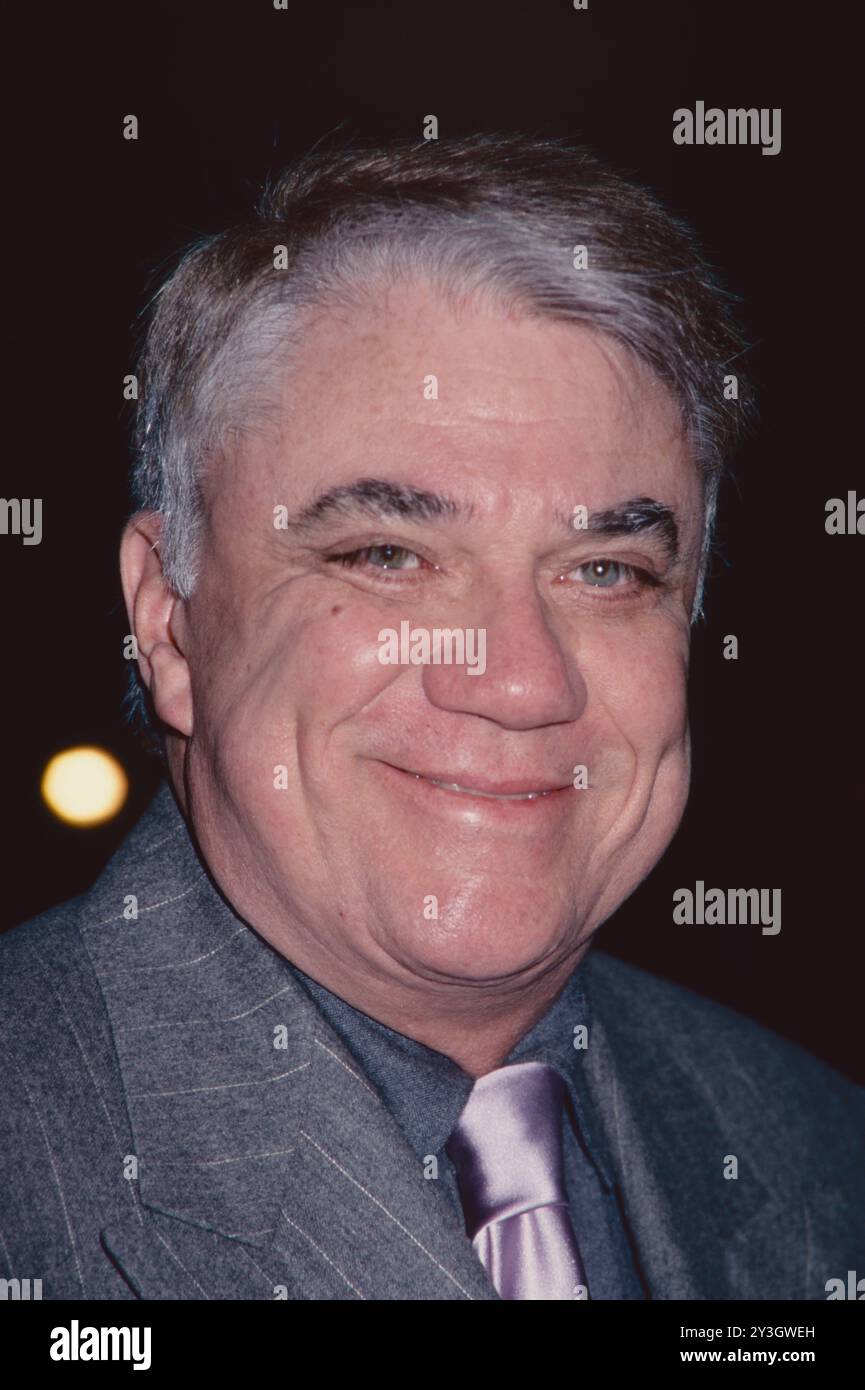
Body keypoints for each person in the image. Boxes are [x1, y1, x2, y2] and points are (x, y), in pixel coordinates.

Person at [1, 135, 862, 1302]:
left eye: (604, 570)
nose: (519, 680)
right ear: (169, 623)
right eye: (390, 553)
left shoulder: (822, 1151)